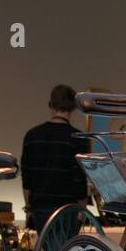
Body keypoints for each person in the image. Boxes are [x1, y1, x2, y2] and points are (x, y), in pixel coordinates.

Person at [20, 84, 87, 233]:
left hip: (40, 208)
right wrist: (83, 210)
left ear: (50, 105)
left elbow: (27, 179)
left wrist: (29, 209)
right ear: (73, 107)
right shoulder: (78, 139)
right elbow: (79, 179)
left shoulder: (32, 136)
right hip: (67, 209)